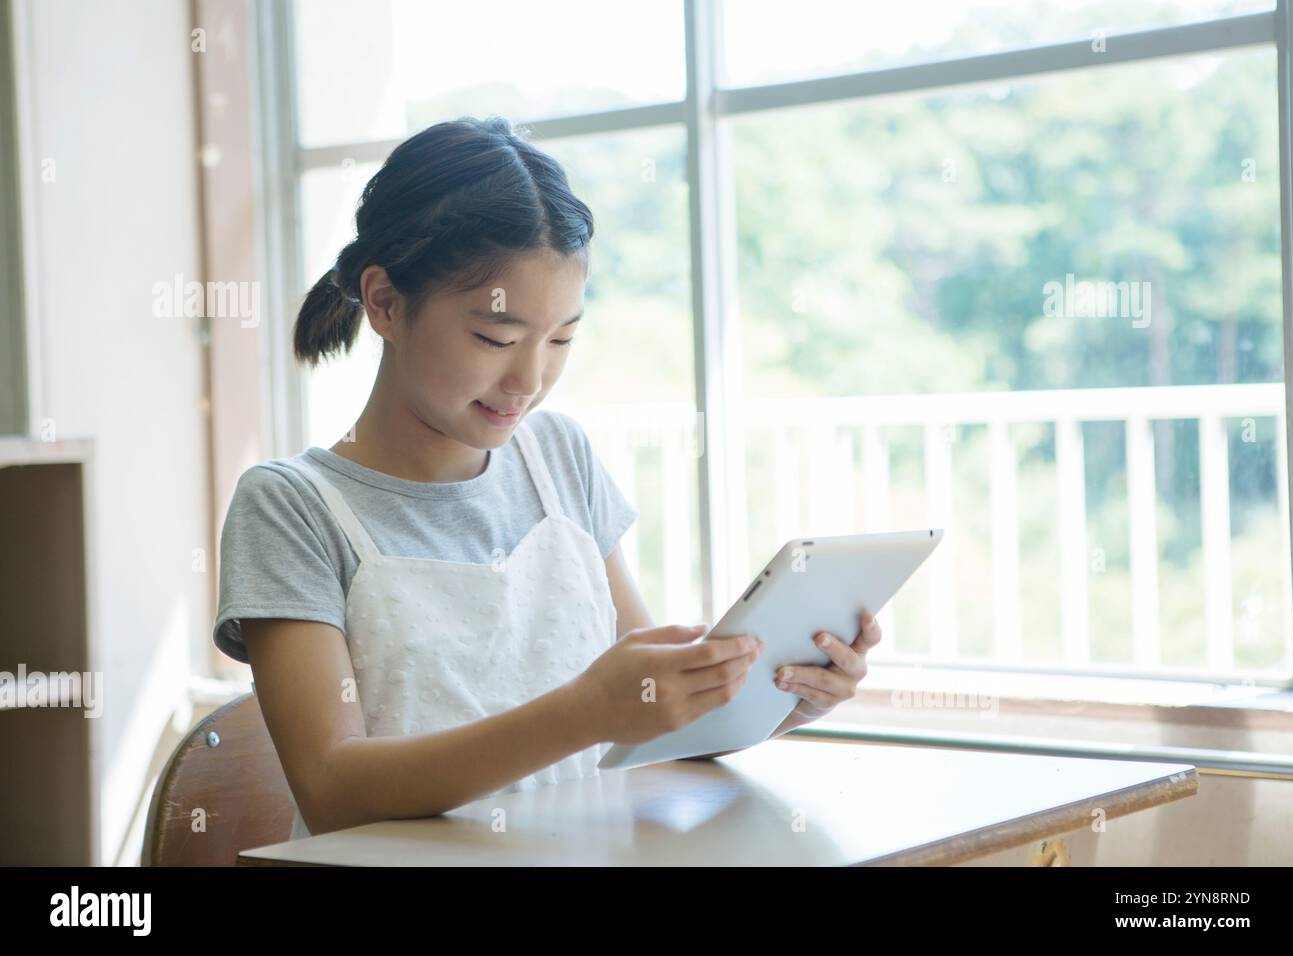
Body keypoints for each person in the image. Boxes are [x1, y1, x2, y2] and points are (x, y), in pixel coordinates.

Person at [212, 115, 880, 839]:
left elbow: (649, 716)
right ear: (385, 303)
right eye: (494, 337)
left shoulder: (558, 457)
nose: (529, 379)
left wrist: (786, 697)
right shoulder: (289, 508)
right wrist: (584, 712)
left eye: (561, 338)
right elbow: (332, 787)